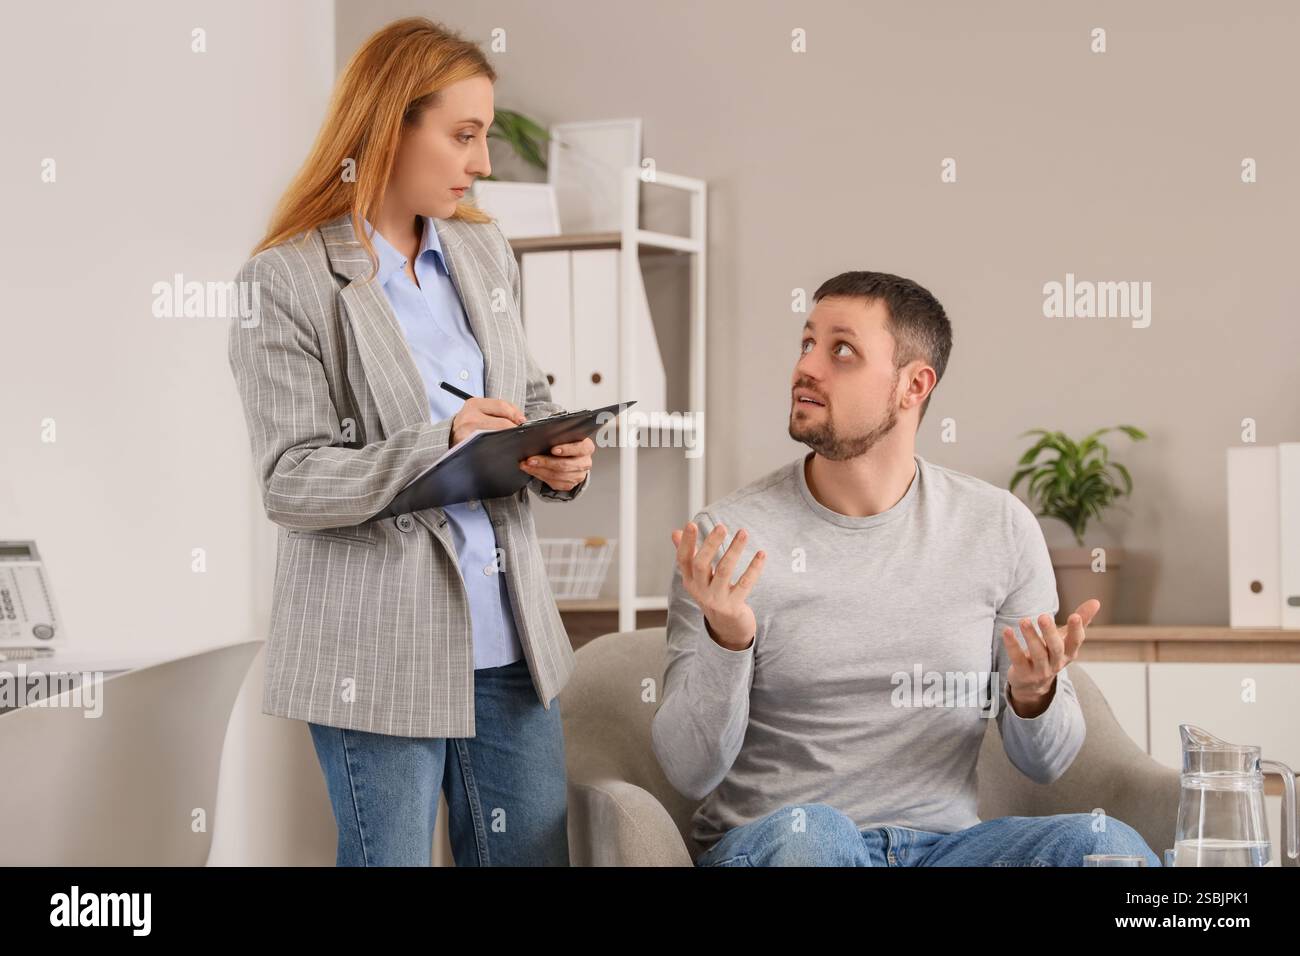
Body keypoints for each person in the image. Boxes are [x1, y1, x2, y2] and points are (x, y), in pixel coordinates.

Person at [227, 17, 594, 866]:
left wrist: (557, 456)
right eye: (464, 136)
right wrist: (443, 442)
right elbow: (291, 479)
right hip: (373, 647)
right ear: (389, 125)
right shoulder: (283, 280)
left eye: (486, 137)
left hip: (510, 640)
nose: (484, 163)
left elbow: (526, 395)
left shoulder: (482, 249)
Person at [652, 270, 1161, 867]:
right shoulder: (728, 537)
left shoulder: (998, 526)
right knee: (813, 836)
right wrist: (727, 640)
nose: (807, 367)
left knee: (1106, 846)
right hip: (784, 841)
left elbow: (1047, 763)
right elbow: (687, 771)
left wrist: (1033, 694)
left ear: (913, 385)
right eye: (807, 343)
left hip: (944, 850)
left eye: (841, 349)